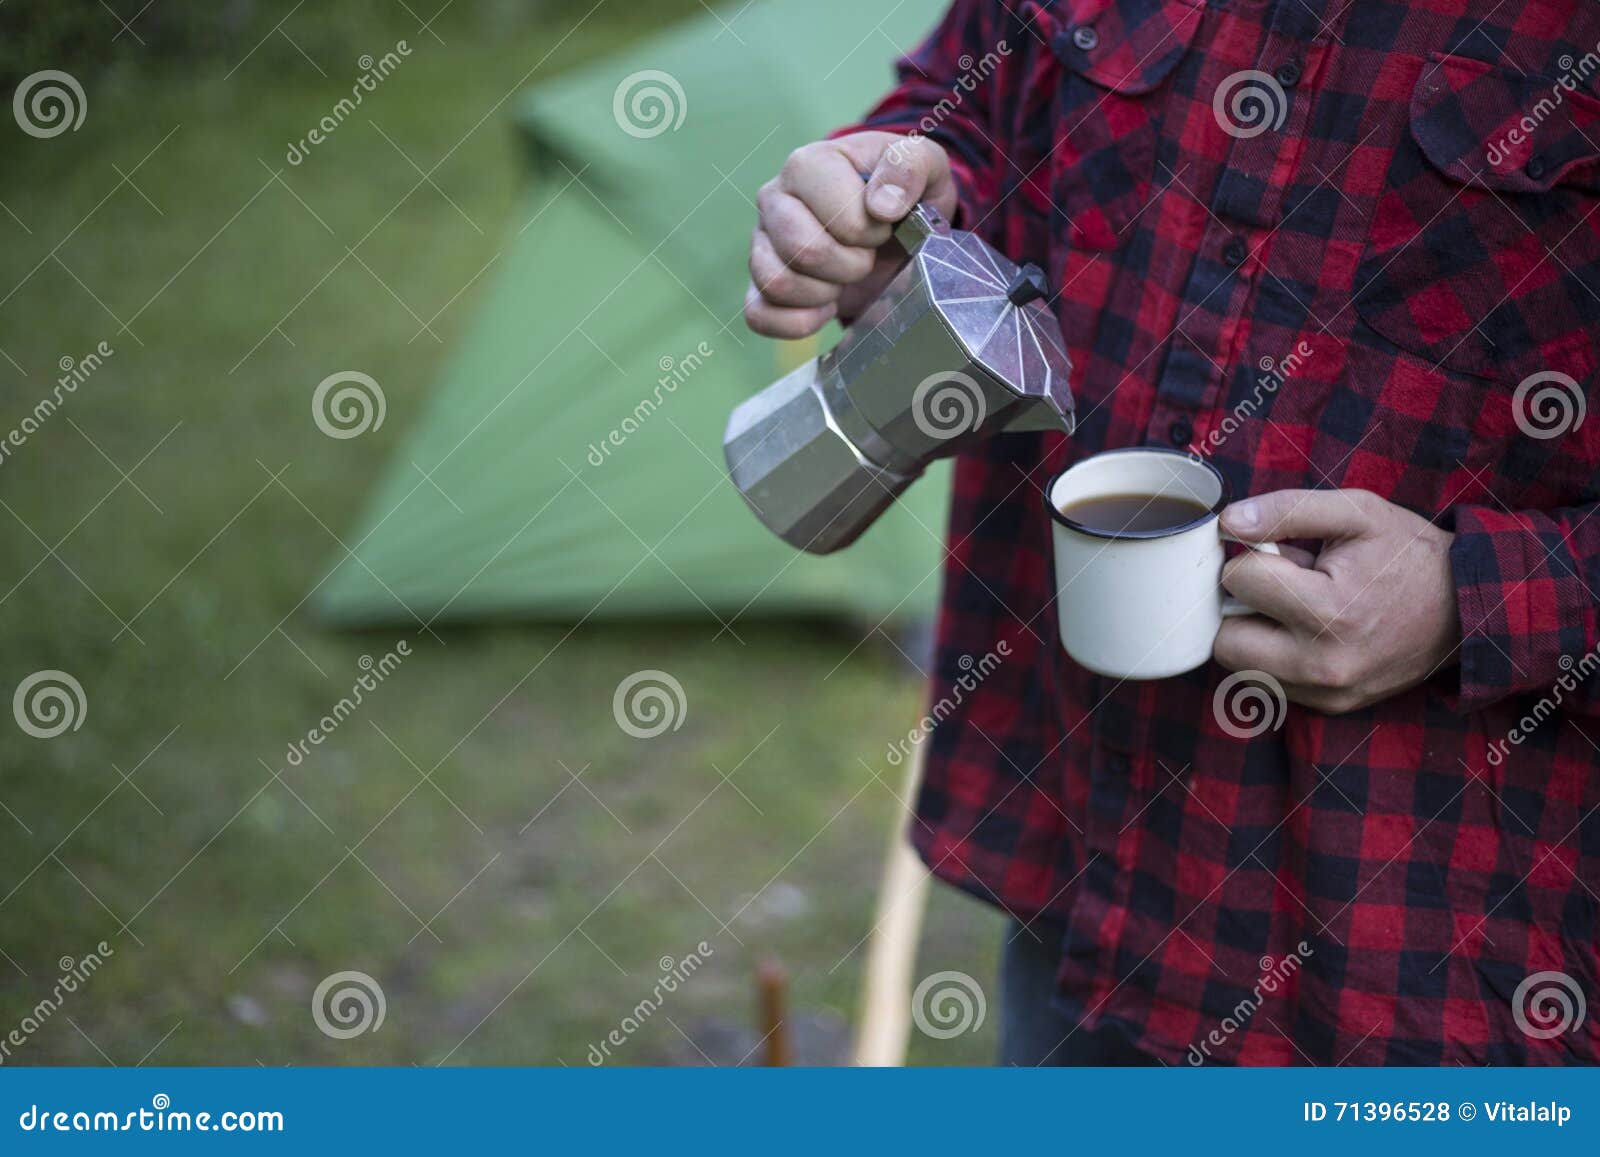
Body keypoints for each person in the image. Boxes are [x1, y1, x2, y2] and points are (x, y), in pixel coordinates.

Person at [744, 0, 1600, 1065]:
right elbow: (968, 101)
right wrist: (883, 196)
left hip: (1438, 975)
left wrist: (1475, 597)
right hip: (1083, 878)